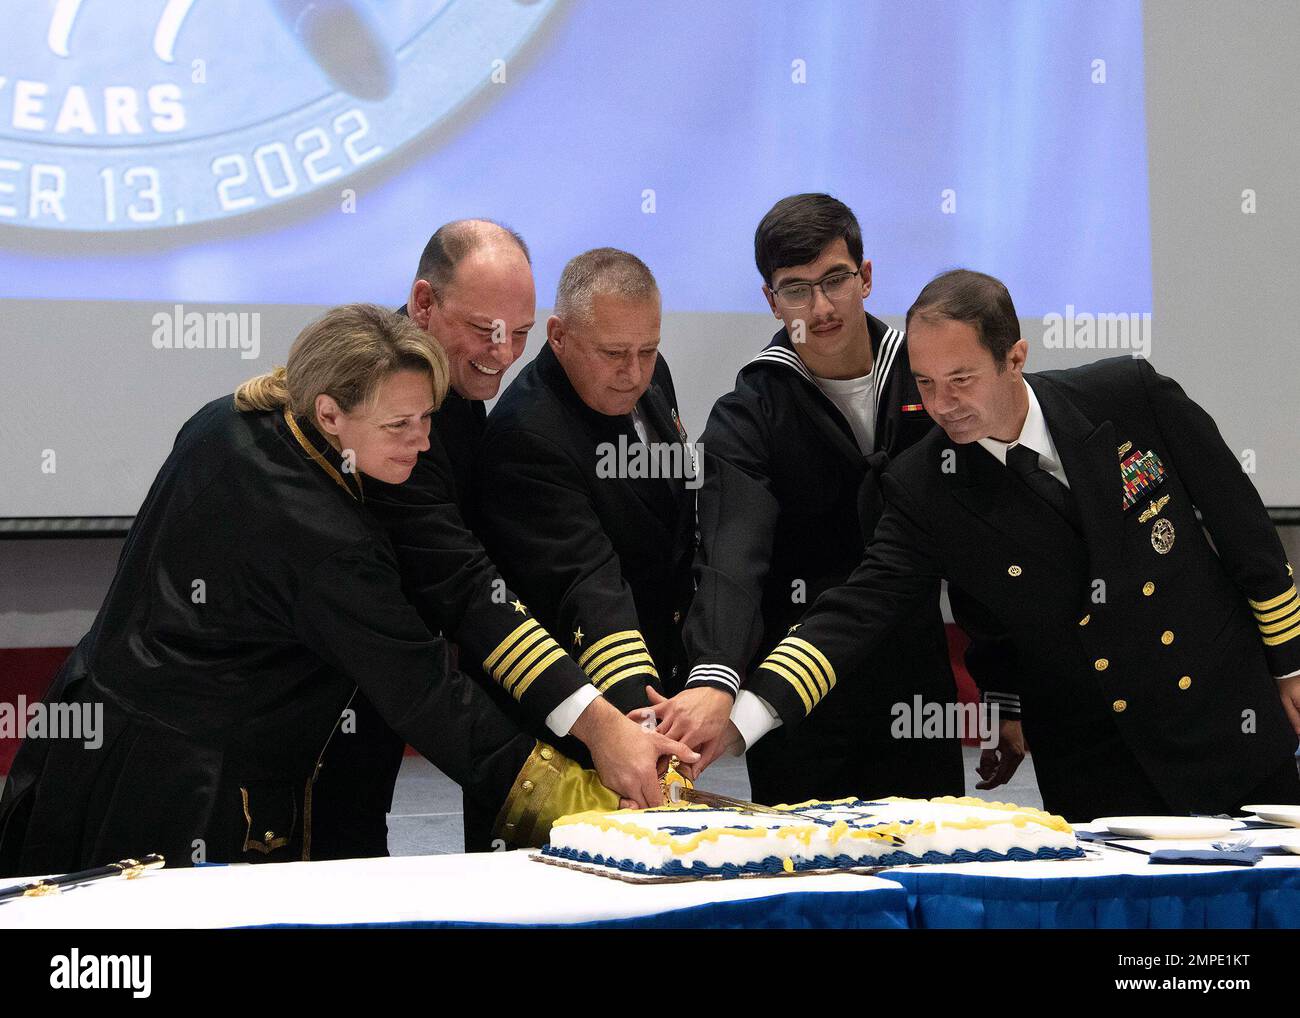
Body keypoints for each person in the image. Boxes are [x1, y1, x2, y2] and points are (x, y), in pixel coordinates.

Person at [0, 305, 691, 877]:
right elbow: (426, 692)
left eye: (428, 419)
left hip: (100, 732)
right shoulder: (324, 539)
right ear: (331, 414)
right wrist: (590, 798)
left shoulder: (231, 418)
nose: (421, 445)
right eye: (399, 426)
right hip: (187, 790)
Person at [697, 269, 1300, 821]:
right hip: (1096, 756)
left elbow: (1243, 527)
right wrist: (742, 719)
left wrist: (1291, 664)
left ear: (1014, 357)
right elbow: (855, 612)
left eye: (961, 379)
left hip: (1226, 714)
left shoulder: (1127, 394)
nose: (942, 405)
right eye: (927, 383)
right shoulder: (923, 486)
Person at [310, 224, 680, 857]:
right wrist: (605, 724)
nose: (503, 352)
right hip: (308, 713)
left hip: (378, 698)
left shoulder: (452, 393)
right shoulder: (397, 406)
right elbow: (472, 588)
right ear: (423, 303)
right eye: (483, 330)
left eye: (519, 331)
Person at [657, 193, 994, 805]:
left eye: (835, 279)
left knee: (930, 873)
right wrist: (714, 675)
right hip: (795, 703)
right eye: (795, 289)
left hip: (914, 691)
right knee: (804, 882)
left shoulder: (932, 381)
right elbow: (734, 554)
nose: (820, 306)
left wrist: (1007, 685)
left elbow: (987, 537)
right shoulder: (748, 413)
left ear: (866, 277)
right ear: (770, 299)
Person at [473, 248, 696, 737]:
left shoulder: (649, 375)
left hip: (663, 681)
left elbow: (674, 518)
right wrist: (644, 722)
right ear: (558, 336)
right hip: (577, 718)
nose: (635, 373)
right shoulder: (525, 435)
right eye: (614, 354)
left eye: (648, 350)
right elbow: (588, 585)